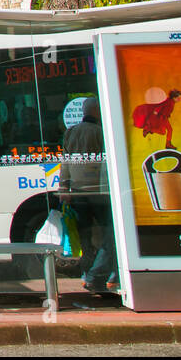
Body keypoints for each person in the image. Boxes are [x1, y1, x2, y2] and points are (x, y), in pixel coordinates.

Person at [60, 97, 117, 294]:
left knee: (85, 238)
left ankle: (88, 275)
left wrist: (63, 188)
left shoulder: (71, 132)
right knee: (110, 234)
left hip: (77, 193)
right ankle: (99, 275)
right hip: (99, 192)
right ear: (97, 111)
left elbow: (65, 162)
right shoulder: (101, 132)